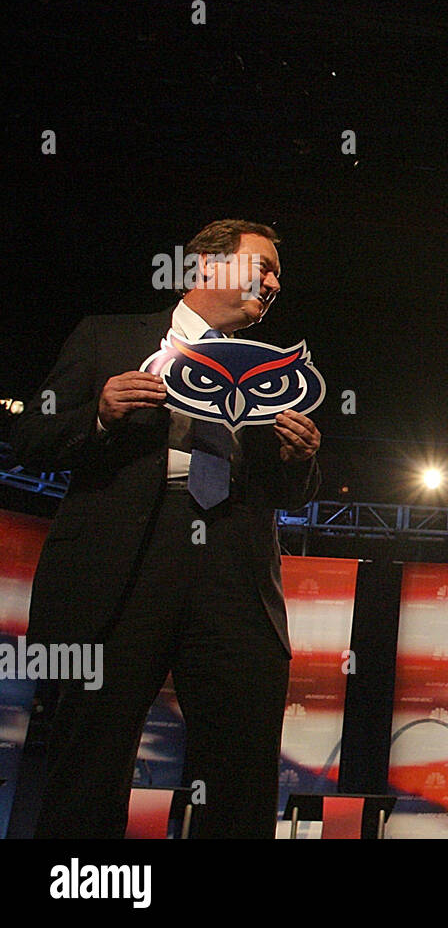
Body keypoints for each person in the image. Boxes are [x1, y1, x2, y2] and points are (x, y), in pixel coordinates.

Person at [10, 219, 321, 837]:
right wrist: (98, 416)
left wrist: (303, 460)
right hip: (124, 562)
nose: (274, 282)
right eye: (262, 266)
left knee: (240, 767)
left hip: (235, 569)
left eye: (278, 274)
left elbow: (292, 493)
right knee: (89, 759)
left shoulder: (279, 371)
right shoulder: (108, 336)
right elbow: (31, 439)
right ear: (205, 265)